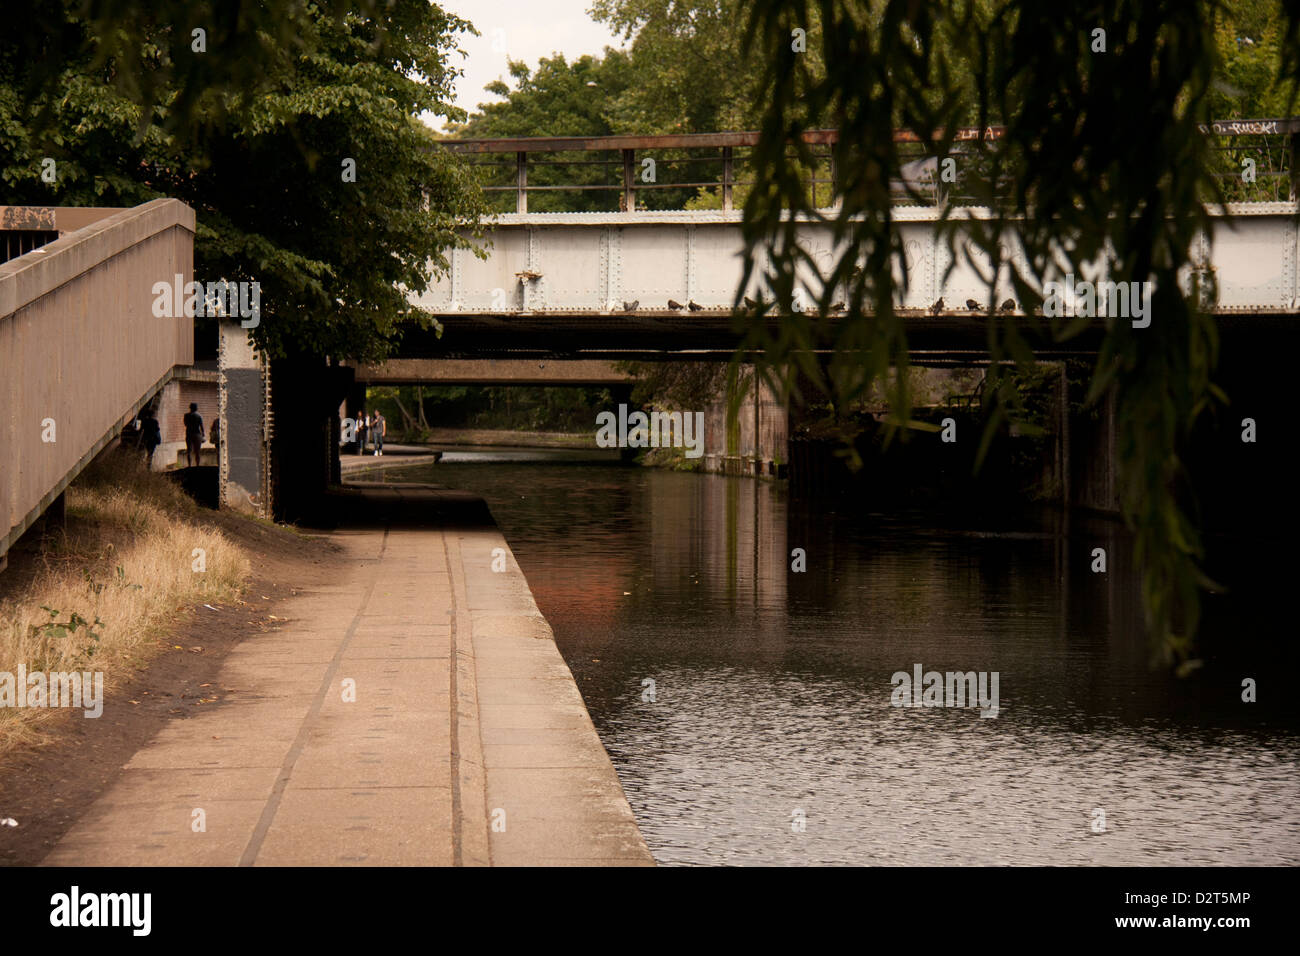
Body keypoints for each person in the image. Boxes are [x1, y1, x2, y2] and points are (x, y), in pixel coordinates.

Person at [183, 402, 204, 467]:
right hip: (197, 434)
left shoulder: (186, 415)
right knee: (197, 451)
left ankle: (189, 465)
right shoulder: (199, 416)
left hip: (189, 433)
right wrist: (203, 434)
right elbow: (201, 426)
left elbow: (185, 424)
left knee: (189, 450)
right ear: (196, 408)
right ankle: (197, 465)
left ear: (190, 408)